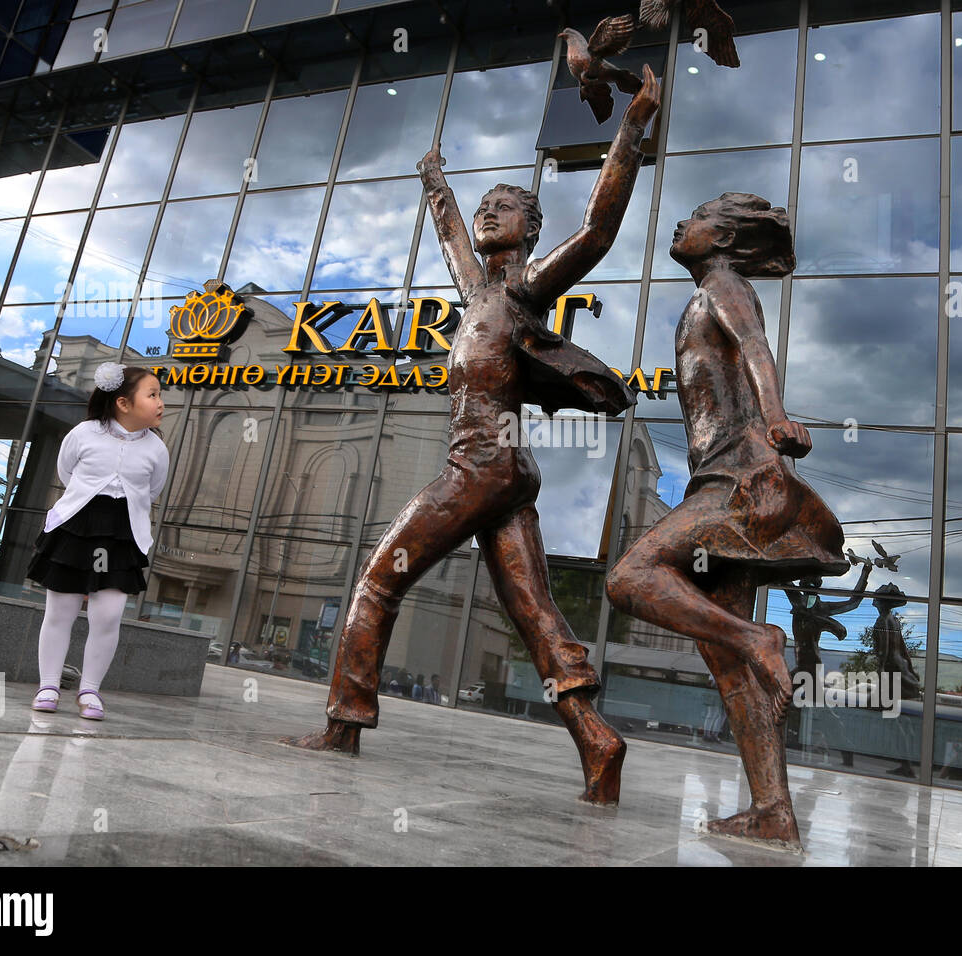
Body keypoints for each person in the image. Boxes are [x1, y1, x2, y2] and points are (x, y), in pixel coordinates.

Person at [285, 68, 662, 806]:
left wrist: (632, 129)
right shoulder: (482, 293)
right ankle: (597, 741)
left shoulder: (524, 291)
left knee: (376, 581)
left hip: (482, 465)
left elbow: (597, 230)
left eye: (508, 207)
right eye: (487, 205)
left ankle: (344, 722)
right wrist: (435, 181)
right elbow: (453, 236)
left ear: (531, 229)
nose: (491, 214)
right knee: (534, 611)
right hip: (506, 477)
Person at [605, 192, 849, 844]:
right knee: (726, 665)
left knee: (630, 579)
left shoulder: (726, 285)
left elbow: (756, 347)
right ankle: (773, 811)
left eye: (700, 216)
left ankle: (757, 641)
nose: (684, 222)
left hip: (739, 485)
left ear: (726, 239)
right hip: (726, 483)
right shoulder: (707, 290)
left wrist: (775, 416)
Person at [26, 362, 168, 721]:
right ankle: (48, 685)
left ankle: (90, 691)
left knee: (108, 616)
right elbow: (66, 473)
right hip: (75, 526)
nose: (160, 403)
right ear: (123, 402)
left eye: (159, 395)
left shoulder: (157, 449)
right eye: (152, 395)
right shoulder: (84, 433)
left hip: (122, 532)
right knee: (60, 612)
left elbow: (151, 491)